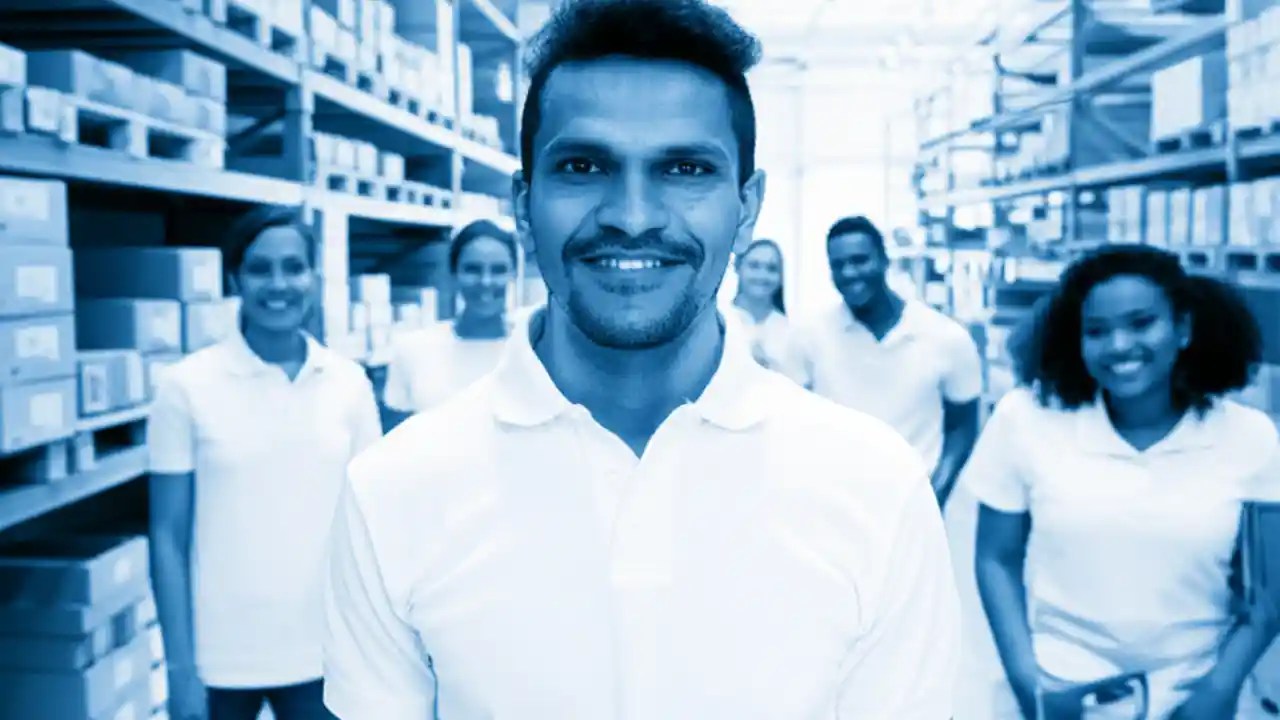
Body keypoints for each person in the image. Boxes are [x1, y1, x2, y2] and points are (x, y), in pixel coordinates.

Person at [321, 1, 959, 718]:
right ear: (523, 205)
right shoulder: (393, 492)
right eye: (584, 165)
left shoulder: (875, 488)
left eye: (685, 167)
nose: (632, 213)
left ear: (747, 206)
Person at [965, 244, 1280, 719]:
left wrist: (1218, 690)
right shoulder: (1027, 419)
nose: (1118, 346)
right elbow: (995, 557)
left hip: (1192, 692)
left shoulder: (1248, 437)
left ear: (1184, 328)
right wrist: (1029, 683)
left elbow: (1268, 592)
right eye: (1096, 331)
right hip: (1064, 689)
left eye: (1141, 323)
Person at [148, 206, 382, 720]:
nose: (279, 284)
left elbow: (373, 526)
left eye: (294, 267)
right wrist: (180, 669)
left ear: (313, 277)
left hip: (326, 653)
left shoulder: (348, 383)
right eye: (260, 269)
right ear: (235, 278)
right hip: (219, 662)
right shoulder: (185, 387)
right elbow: (166, 537)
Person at [795, 214, 983, 507]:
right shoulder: (810, 337)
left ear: (885, 260)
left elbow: (962, 426)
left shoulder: (946, 338)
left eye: (860, 260)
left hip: (912, 505)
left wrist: (936, 494)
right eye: (838, 265)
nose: (849, 273)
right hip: (834, 505)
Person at [381, 219, 518, 425]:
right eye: (473, 269)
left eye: (498, 270)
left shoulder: (534, 351)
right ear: (453, 275)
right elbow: (394, 444)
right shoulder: (413, 350)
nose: (486, 281)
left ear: (513, 275)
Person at [726, 238, 805, 383]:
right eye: (754, 266)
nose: (762, 275)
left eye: (771, 268)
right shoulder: (720, 321)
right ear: (737, 267)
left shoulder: (791, 332)